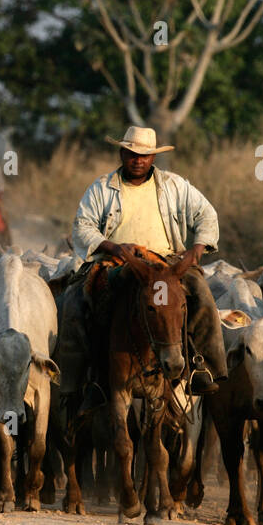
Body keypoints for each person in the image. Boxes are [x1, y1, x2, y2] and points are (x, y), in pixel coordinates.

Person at [70, 125, 228, 413]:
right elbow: (83, 226)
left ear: (153, 158)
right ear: (122, 153)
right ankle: (89, 380)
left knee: (202, 296)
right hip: (120, 262)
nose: (137, 160)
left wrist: (198, 247)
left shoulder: (174, 185)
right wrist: (113, 247)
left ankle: (202, 367)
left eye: (144, 155)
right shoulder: (102, 188)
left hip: (167, 262)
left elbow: (206, 214)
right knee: (80, 304)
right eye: (131, 154)